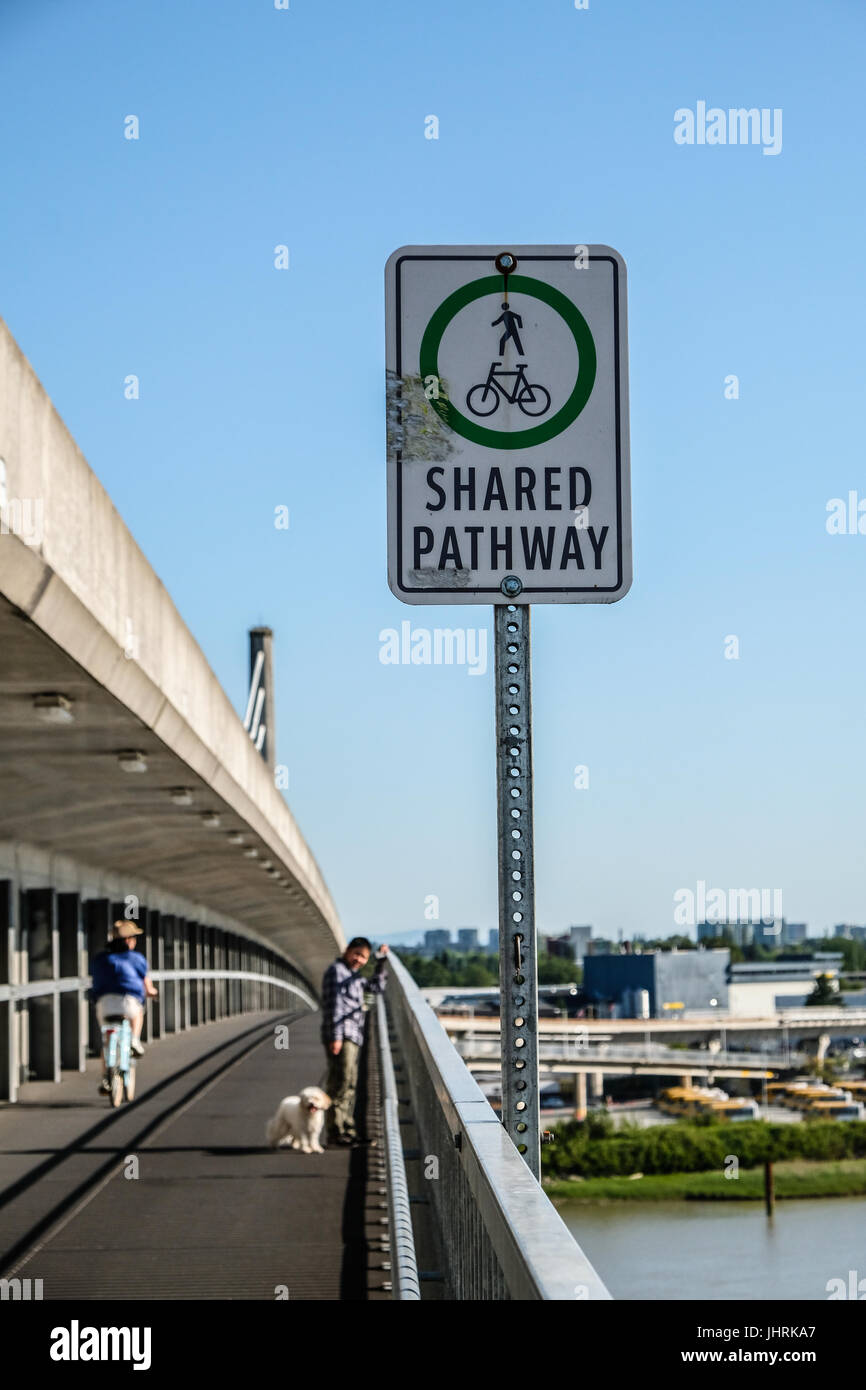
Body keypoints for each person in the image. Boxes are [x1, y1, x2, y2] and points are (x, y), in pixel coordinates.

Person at [320, 938, 388, 1146]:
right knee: (340, 1082)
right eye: (356, 954)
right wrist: (336, 1038)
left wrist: (381, 962)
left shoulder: (353, 975)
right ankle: (336, 1132)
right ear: (347, 950)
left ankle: (346, 1129)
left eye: (364, 957)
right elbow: (334, 1007)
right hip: (343, 1035)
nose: (359, 959)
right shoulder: (337, 972)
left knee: (349, 1083)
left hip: (354, 1034)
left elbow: (375, 987)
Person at [90, 921, 158, 1095]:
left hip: (104, 1004)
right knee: (137, 1014)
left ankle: (107, 1076)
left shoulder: (100, 958)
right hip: (128, 1002)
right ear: (128, 940)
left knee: (107, 1040)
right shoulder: (136, 959)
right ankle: (134, 1040)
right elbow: (147, 986)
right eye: (133, 937)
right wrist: (152, 992)